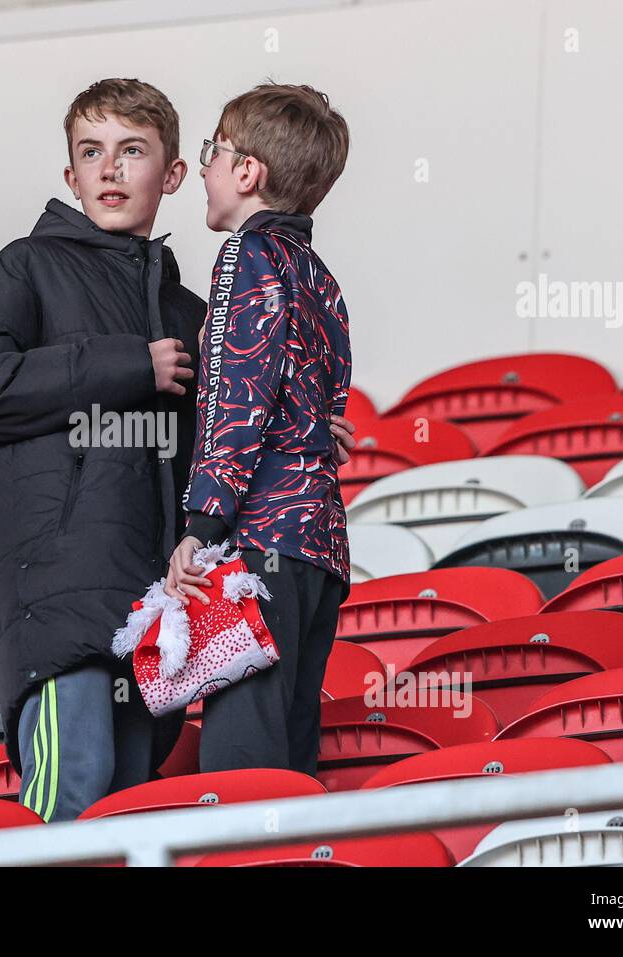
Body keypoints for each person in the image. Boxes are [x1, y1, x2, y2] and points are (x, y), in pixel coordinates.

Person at [0, 78, 356, 822]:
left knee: (131, 811)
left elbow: (238, 408)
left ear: (171, 175)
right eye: (91, 153)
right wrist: (131, 363)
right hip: (62, 605)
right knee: (76, 790)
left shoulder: (191, 308)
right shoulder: (24, 266)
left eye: (131, 151)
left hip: (157, 606)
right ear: (70, 176)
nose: (109, 169)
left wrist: (305, 423)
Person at [166, 83, 354, 777]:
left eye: (213, 151)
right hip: (320, 549)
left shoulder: (246, 257)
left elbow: (236, 398)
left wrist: (202, 524)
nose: (205, 168)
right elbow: (328, 405)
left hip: (262, 544)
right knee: (291, 760)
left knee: (240, 765)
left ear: (247, 171)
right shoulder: (320, 276)